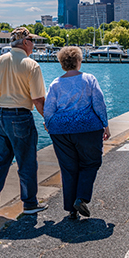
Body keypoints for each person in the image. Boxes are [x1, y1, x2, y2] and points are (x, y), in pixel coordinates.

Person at [0, 27, 48, 216]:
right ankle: (30, 204)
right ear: (25, 42)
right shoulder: (31, 65)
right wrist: (50, 120)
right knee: (26, 163)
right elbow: (38, 100)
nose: (33, 44)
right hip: (19, 117)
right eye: (32, 41)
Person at [44, 46, 110, 220]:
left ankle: (71, 209)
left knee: (68, 168)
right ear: (78, 61)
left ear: (62, 64)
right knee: (90, 163)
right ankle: (81, 198)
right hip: (87, 128)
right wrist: (105, 124)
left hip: (60, 131)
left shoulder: (55, 83)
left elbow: (49, 109)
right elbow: (99, 103)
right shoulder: (89, 79)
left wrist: (49, 124)